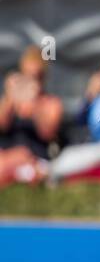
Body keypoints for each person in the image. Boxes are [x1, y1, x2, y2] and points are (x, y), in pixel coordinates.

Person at [0, 45, 63, 187]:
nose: (30, 80)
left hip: (34, 157)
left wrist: (34, 104)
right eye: (26, 75)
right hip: (8, 154)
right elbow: (2, 125)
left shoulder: (51, 103)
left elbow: (47, 133)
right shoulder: (13, 100)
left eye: (35, 76)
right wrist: (10, 96)